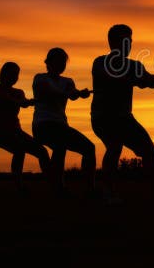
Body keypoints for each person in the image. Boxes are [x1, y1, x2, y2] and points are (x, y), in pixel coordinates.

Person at [92, 24, 154, 203]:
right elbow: (114, 77)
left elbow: (146, 78)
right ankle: (108, 193)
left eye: (130, 41)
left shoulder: (135, 65)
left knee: (149, 150)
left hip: (125, 118)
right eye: (124, 40)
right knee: (114, 146)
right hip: (103, 117)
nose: (128, 44)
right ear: (112, 42)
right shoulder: (100, 62)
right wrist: (138, 80)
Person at [32, 47, 95, 196]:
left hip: (59, 125)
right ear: (48, 62)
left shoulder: (68, 81)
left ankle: (62, 188)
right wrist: (73, 93)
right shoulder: (40, 78)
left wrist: (79, 93)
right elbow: (52, 91)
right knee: (67, 148)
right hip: (43, 125)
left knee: (70, 148)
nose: (61, 64)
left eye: (64, 62)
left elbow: (72, 94)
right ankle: (68, 187)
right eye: (58, 61)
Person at [0, 61, 51, 192]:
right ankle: (19, 186)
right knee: (19, 150)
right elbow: (8, 99)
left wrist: (28, 102)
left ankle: (52, 183)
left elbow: (22, 102)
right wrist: (24, 102)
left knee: (42, 151)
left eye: (16, 74)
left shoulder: (19, 92)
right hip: (0, 132)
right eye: (11, 74)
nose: (14, 77)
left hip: (16, 131)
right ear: (4, 74)